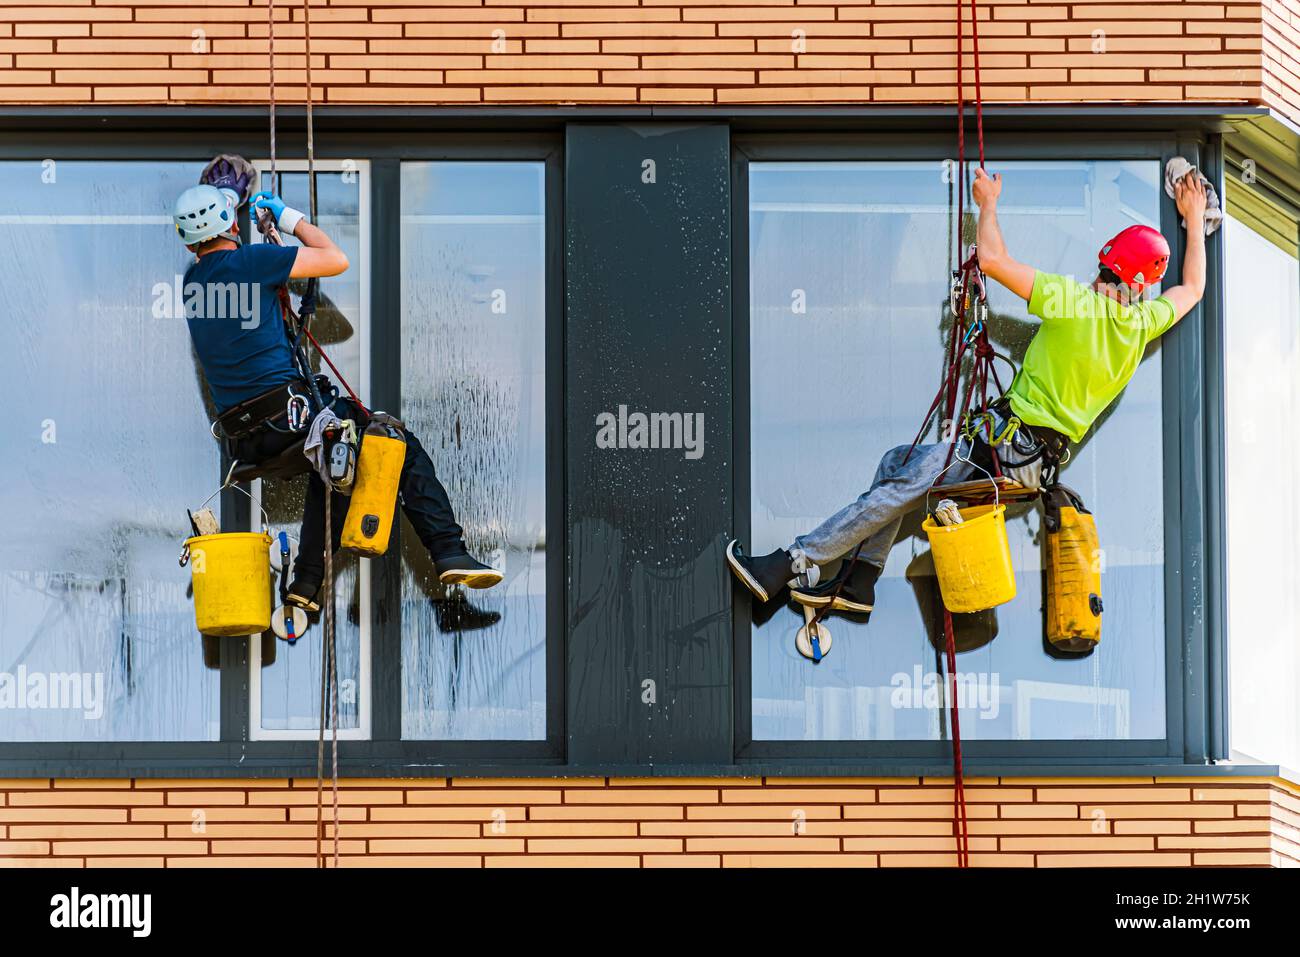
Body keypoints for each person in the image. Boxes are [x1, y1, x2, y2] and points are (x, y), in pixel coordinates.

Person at [727, 168, 1209, 615]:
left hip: (998, 453)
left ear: (1106, 264)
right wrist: (1192, 220)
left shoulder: (1075, 303)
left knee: (902, 487)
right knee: (898, 462)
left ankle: (787, 563)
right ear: (1141, 285)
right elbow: (1192, 288)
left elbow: (993, 260)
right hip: (1024, 464)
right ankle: (860, 582)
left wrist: (988, 203)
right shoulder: (1142, 324)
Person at [172, 178, 502, 612]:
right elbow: (335, 258)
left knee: (335, 463)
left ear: (188, 240)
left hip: (248, 439)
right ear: (230, 223)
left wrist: (241, 213)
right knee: (392, 439)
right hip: (290, 418)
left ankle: (306, 584)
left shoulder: (193, 283)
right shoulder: (254, 262)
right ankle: (448, 551)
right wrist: (289, 220)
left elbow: (235, 280)